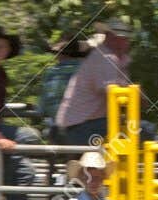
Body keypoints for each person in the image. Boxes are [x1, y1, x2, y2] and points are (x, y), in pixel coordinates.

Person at [0, 25, 43, 200]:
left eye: (2, 46)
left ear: (8, 50)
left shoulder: (0, 74)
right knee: (30, 136)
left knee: (28, 173)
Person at [54, 19, 134, 147]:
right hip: (80, 129)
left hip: (75, 127)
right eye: (116, 38)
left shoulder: (114, 59)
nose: (120, 42)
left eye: (124, 38)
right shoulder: (106, 58)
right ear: (107, 37)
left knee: (135, 128)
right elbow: (115, 94)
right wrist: (138, 95)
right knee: (144, 130)